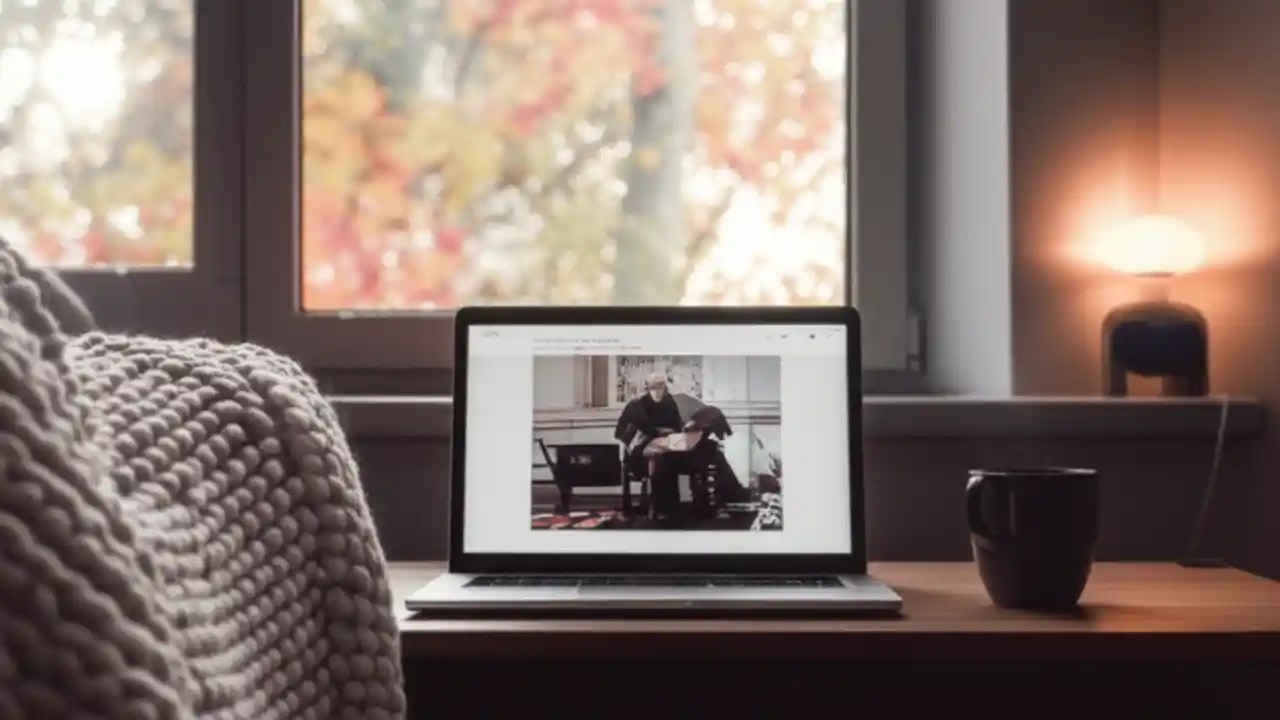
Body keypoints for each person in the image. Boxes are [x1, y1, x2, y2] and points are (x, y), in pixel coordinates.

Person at [613, 372, 683, 520]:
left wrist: (671, 432)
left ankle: (671, 507)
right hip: (642, 448)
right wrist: (634, 440)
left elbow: (678, 425)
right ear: (647, 387)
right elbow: (620, 432)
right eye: (653, 387)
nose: (657, 390)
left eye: (661, 386)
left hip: (668, 445)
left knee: (671, 458)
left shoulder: (670, 402)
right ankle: (658, 507)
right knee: (659, 458)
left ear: (665, 388)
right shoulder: (636, 405)